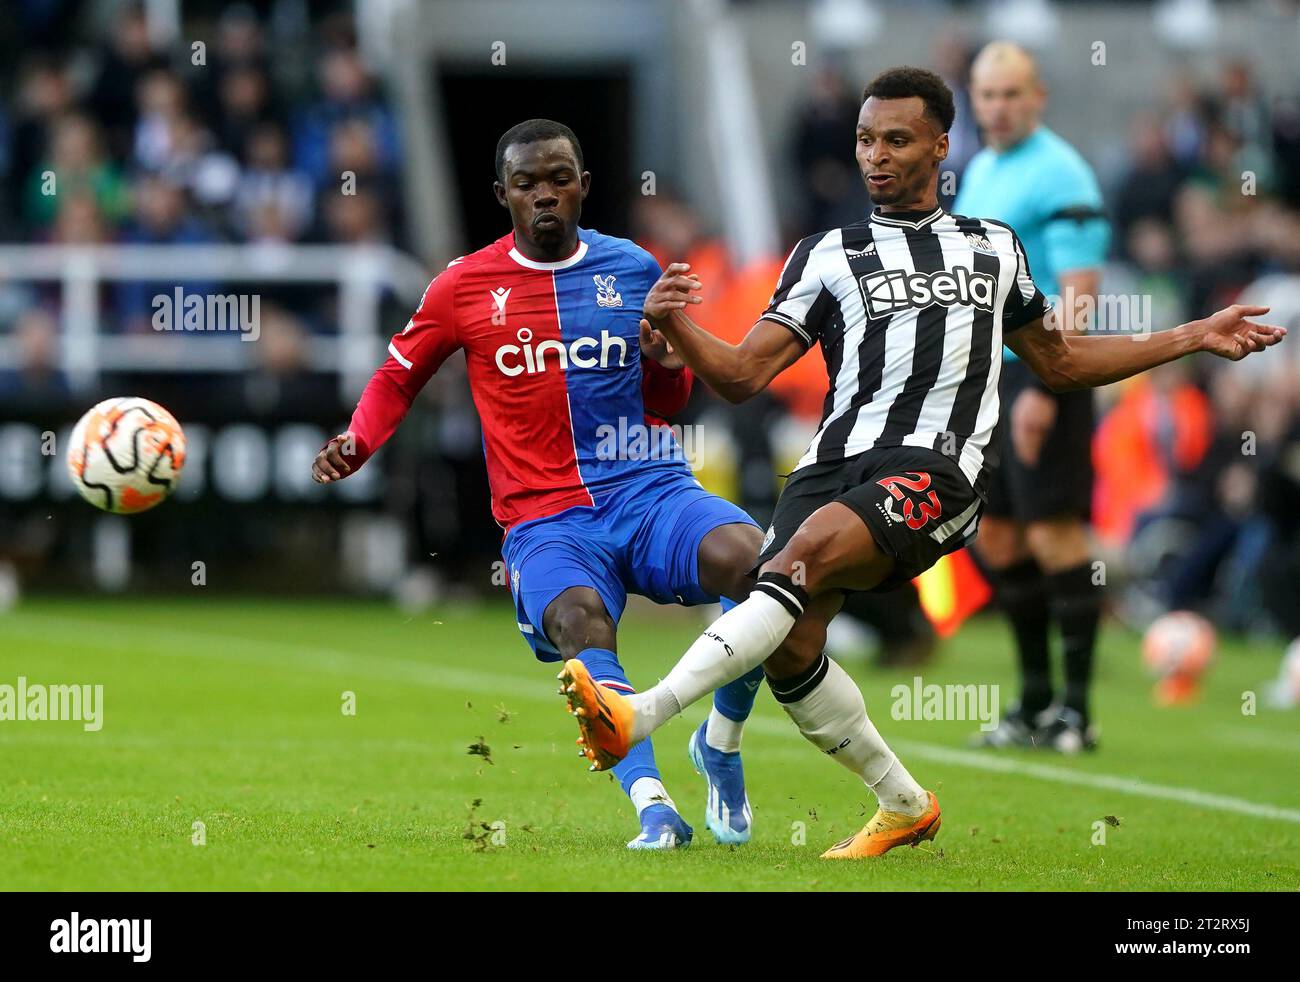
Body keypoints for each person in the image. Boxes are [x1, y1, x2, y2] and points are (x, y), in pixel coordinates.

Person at [557, 68, 1285, 858]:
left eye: (896, 140)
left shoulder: (992, 248)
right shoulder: (826, 254)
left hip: (939, 469)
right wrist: (680, 328)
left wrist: (1192, 333)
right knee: (792, 642)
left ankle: (644, 713)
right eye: (866, 139)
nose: (876, 155)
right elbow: (739, 377)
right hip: (830, 466)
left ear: (940, 146)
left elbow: (1062, 359)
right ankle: (901, 802)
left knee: (793, 566)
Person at [313, 119, 780, 849]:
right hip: (546, 518)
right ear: (503, 194)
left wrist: (663, 358)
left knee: (761, 568)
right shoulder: (462, 287)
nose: (545, 195)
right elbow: (398, 376)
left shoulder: (632, 269)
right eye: (527, 183)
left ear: (584, 186)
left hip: (650, 491)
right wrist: (358, 439)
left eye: (559, 178)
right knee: (578, 624)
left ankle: (720, 745)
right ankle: (654, 807)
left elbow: (665, 403)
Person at [954, 41, 1111, 752]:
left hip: (1044, 368)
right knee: (1003, 533)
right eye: (987, 95)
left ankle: (1076, 712)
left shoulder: (1062, 171)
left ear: (1038, 96)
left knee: (1054, 530)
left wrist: (1051, 379)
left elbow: (1081, 288)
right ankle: (1034, 703)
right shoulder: (983, 168)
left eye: (1012, 93)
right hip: (990, 374)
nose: (998, 107)